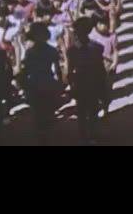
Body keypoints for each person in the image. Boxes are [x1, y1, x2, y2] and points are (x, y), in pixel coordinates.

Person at [66, 17, 107, 145]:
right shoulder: (97, 47)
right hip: (90, 83)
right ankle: (91, 136)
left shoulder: (72, 50)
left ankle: (85, 137)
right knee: (90, 112)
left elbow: (70, 71)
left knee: (84, 112)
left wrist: (71, 84)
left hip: (84, 83)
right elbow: (101, 69)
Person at [21, 23, 64, 145]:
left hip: (42, 83)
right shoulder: (40, 51)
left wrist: (59, 82)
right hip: (39, 83)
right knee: (40, 112)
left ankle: (45, 136)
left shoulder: (34, 52)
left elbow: (57, 69)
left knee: (45, 112)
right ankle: (43, 136)